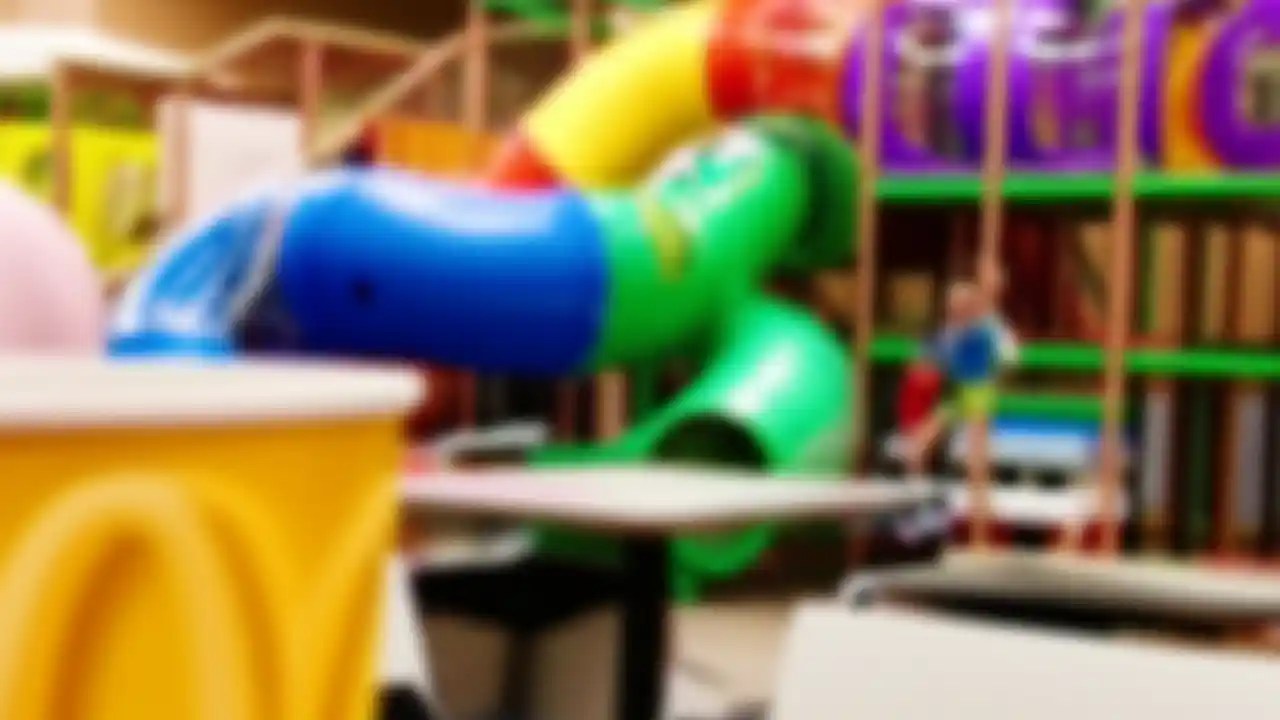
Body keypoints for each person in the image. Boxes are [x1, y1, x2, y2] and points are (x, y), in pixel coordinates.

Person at [905, 260, 1017, 548]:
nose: (956, 309)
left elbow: (1006, 360)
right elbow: (929, 361)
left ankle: (981, 526)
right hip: (957, 393)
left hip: (976, 390)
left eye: (961, 305)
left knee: (977, 460)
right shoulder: (952, 332)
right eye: (953, 305)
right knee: (919, 447)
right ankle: (920, 507)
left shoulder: (986, 327)